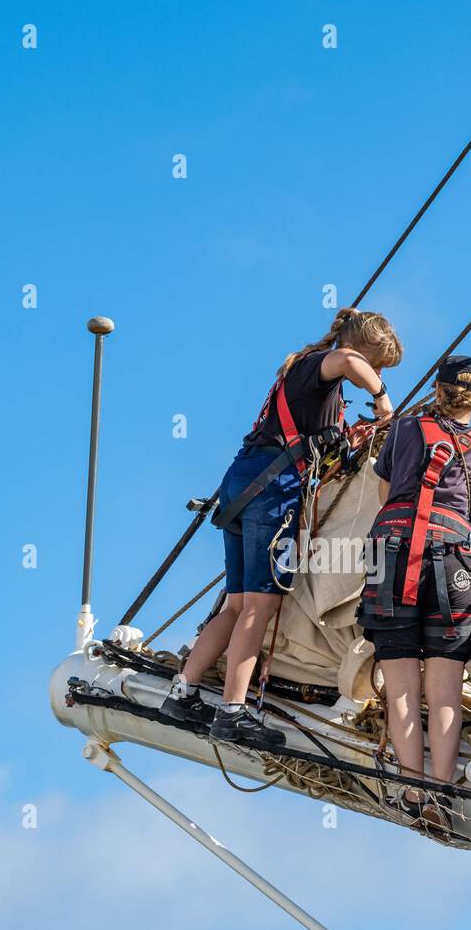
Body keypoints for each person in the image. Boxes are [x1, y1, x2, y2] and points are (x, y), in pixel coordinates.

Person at [161, 308, 403, 749]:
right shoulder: (324, 365)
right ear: (365, 350)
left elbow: (317, 439)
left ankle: (182, 693)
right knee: (260, 606)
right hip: (272, 490)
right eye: (380, 363)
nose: (378, 373)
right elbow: (349, 360)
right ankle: (233, 712)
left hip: (244, 482)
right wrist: (383, 396)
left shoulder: (305, 375)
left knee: (236, 606)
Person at [358, 355, 471, 823]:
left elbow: (385, 495)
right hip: (454, 561)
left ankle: (411, 790)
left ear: (437, 390)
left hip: (392, 554)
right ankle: (440, 793)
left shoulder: (403, 430)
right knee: (444, 692)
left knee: (400, 686)